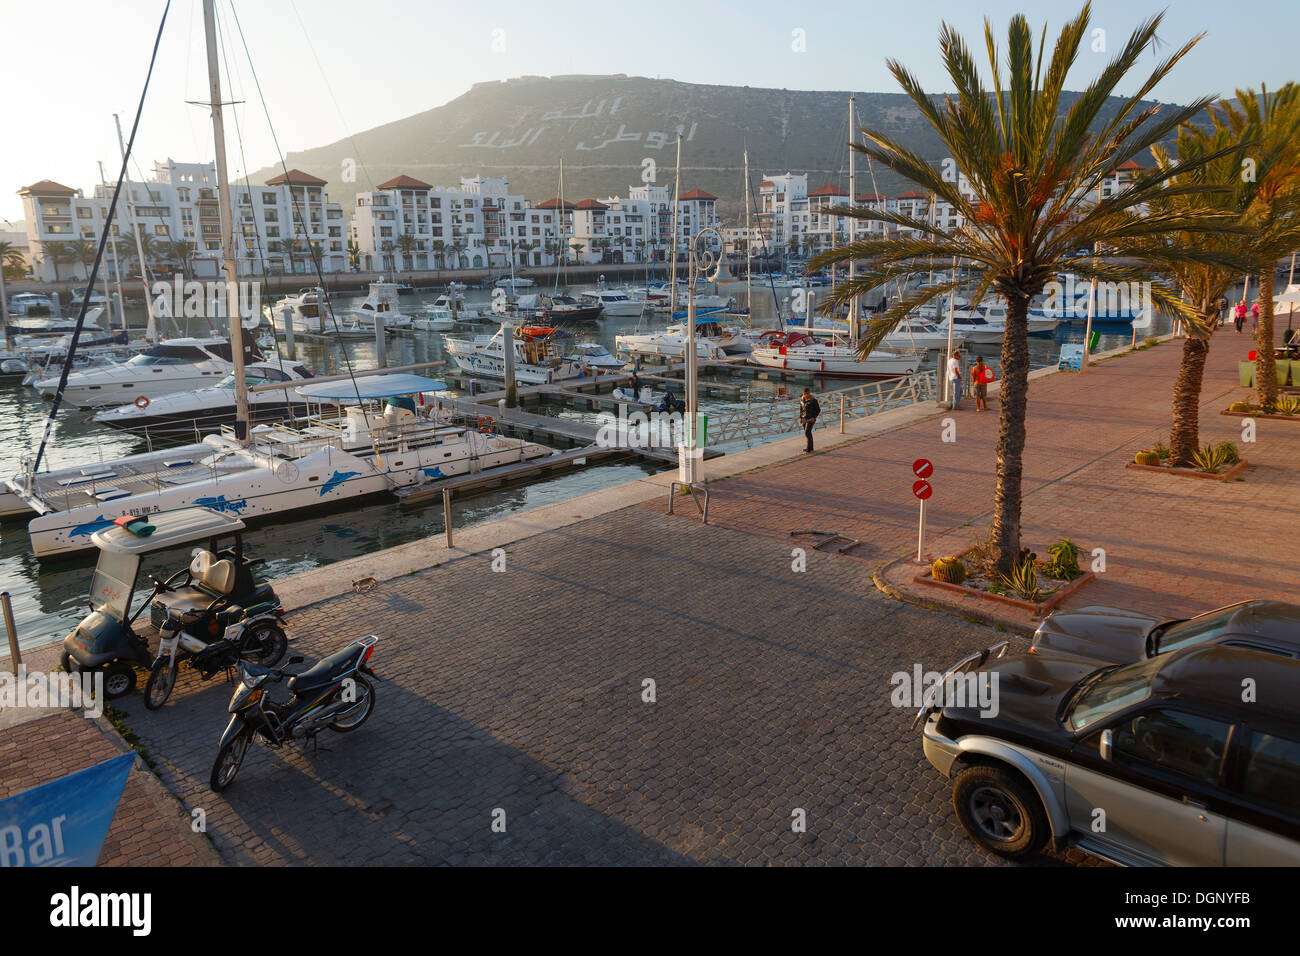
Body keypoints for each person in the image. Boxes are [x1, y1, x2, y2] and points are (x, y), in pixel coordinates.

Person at [799, 387, 821, 453]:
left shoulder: (813, 400)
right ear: (803, 393)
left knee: (807, 432)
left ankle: (808, 449)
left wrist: (814, 417)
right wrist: (800, 418)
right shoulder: (802, 400)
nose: (806, 394)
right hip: (804, 418)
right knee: (808, 433)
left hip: (811, 418)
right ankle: (810, 448)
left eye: (807, 393)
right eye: (805, 393)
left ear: (809, 393)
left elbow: (818, 410)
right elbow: (801, 409)